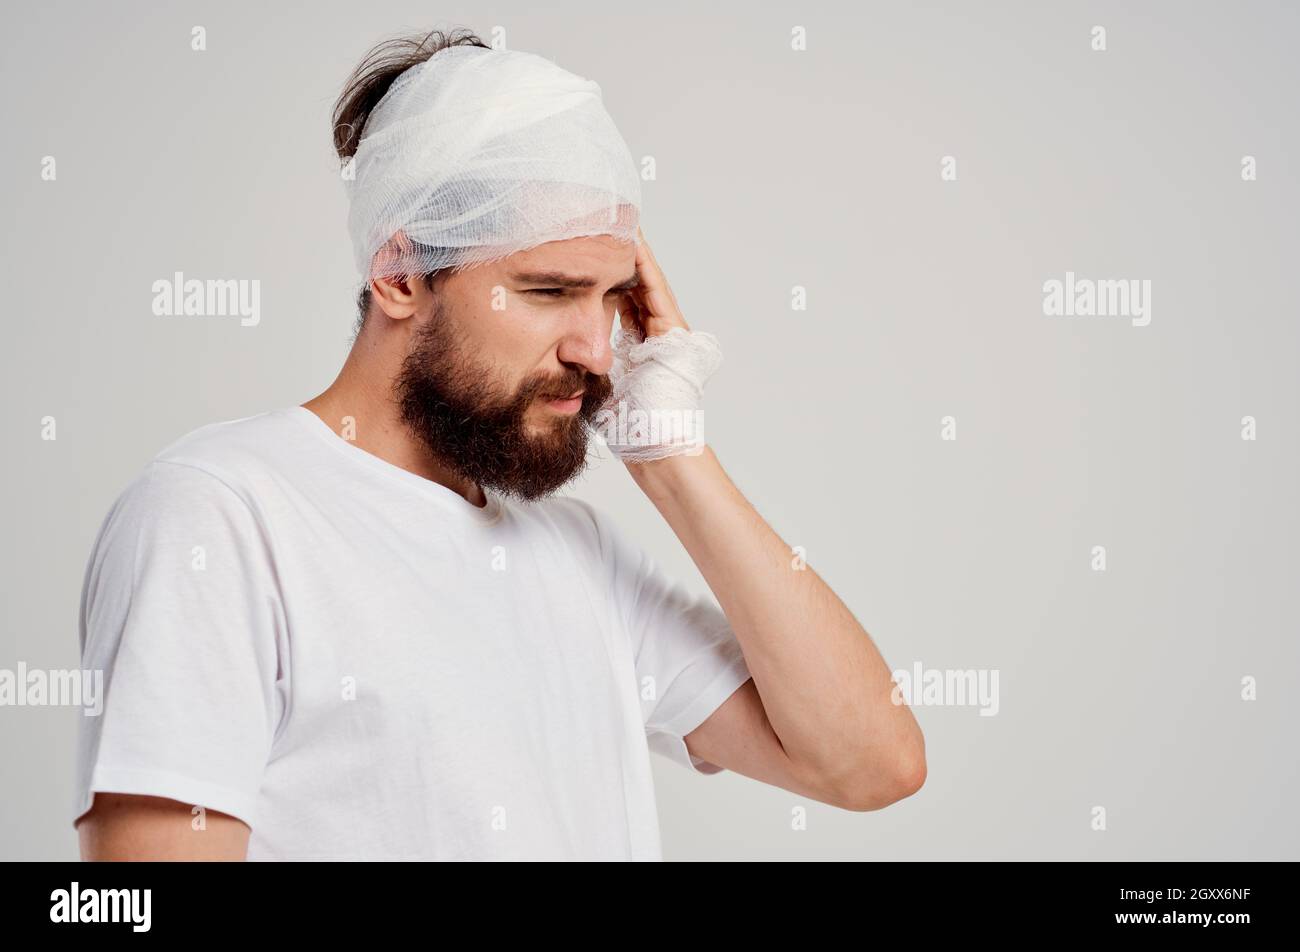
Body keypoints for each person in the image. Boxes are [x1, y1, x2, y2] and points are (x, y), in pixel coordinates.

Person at [73, 28, 925, 861]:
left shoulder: (578, 553)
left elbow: (868, 765)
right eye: (550, 290)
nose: (597, 349)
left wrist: (671, 456)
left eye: (612, 296)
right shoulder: (220, 515)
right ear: (401, 274)